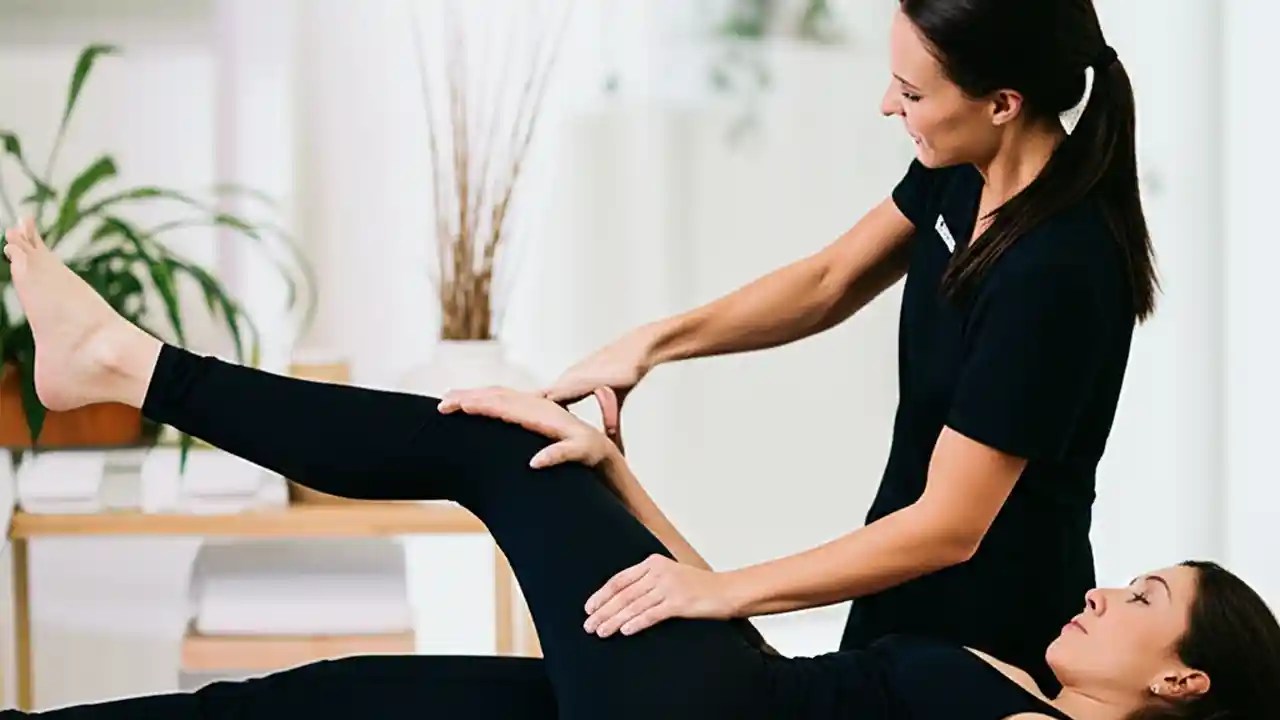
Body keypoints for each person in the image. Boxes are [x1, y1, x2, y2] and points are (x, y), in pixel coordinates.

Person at [4, 218, 1280, 719]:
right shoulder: (1014, 674)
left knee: (490, 442)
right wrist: (615, 478)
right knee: (336, 701)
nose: (1104, 592)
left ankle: (122, 364)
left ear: (1182, 677)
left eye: (1141, 600)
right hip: (702, 699)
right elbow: (747, 653)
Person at [537, 0, 1155, 692]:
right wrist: (648, 344)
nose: (888, 105)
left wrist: (719, 591)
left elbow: (950, 527)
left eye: (913, 92)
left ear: (1003, 104)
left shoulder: (1057, 268)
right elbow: (830, 281)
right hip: (899, 580)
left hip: (986, 633)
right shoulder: (964, 169)